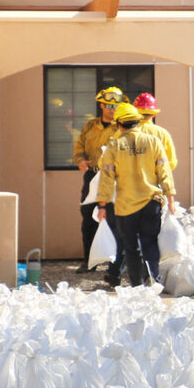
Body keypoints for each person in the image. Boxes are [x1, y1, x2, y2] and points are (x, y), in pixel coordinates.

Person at [95, 101, 175, 288]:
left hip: (126, 205)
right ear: (138, 122)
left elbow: (106, 178)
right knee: (150, 243)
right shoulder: (153, 142)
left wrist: (102, 205)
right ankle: (152, 277)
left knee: (131, 247)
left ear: (119, 124)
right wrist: (170, 198)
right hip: (151, 201)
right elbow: (165, 171)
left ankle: (137, 285)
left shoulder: (114, 146)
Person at [74, 86, 124, 274]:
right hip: (92, 175)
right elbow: (79, 146)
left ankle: (115, 265)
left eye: (116, 106)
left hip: (112, 178)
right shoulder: (90, 126)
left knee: (112, 217)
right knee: (88, 217)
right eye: (109, 106)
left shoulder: (121, 127)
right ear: (102, 105)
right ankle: (89, 261)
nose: (112, 110)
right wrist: (80, 160)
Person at [133, 93, 179, 181]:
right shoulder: (162, 133)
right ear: (154, 114)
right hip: (155, 183)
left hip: (129, 185)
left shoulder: (123, 132)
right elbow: (171, 163)